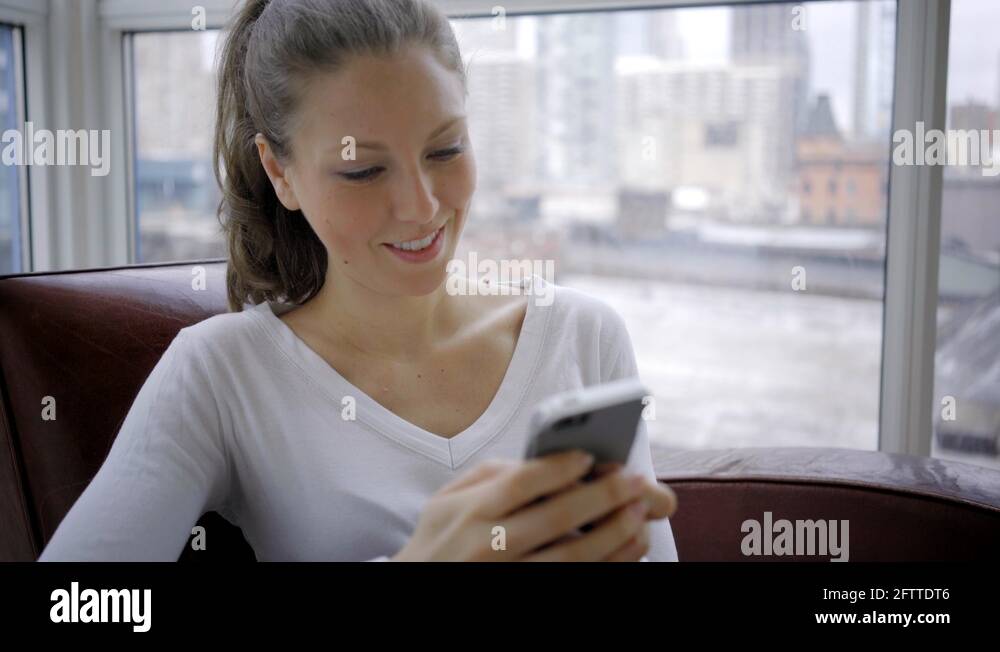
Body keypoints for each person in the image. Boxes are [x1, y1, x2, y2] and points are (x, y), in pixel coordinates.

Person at [39, 0, 679, 562]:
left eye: (445, 149)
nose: (422, 206)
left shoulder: (582, 338)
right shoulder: (222, 375)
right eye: (364, 171)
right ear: (280, 173)